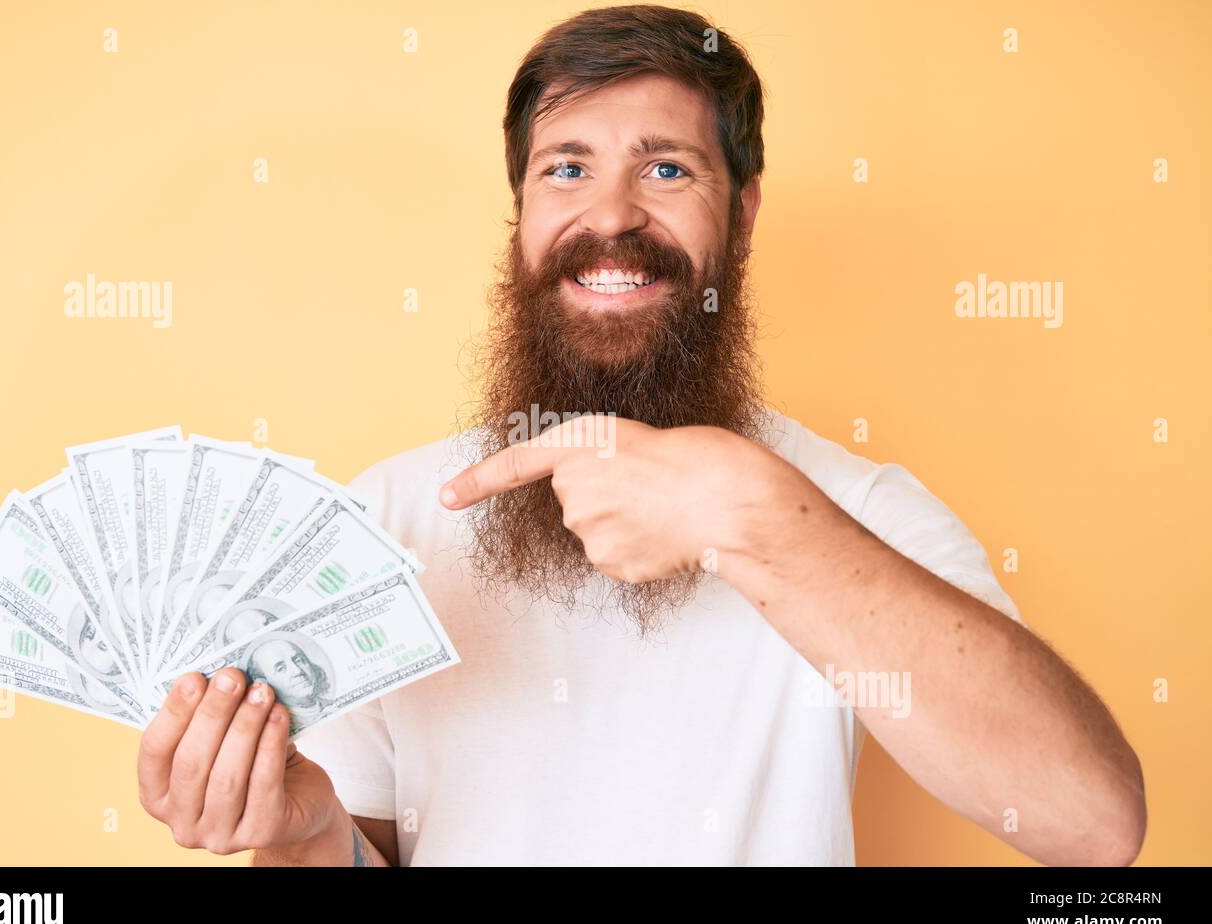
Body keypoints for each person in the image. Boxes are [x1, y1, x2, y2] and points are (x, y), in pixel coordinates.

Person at [136, 5, 1145, 866]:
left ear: (741, 214)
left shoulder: (850, 508)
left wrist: (752, 518)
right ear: (520, 214)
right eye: (566, 168)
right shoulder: (392, 517)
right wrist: (311, 838)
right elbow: (363, 850)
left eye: (666, 168)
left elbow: (1093, 823)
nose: (610, 216)